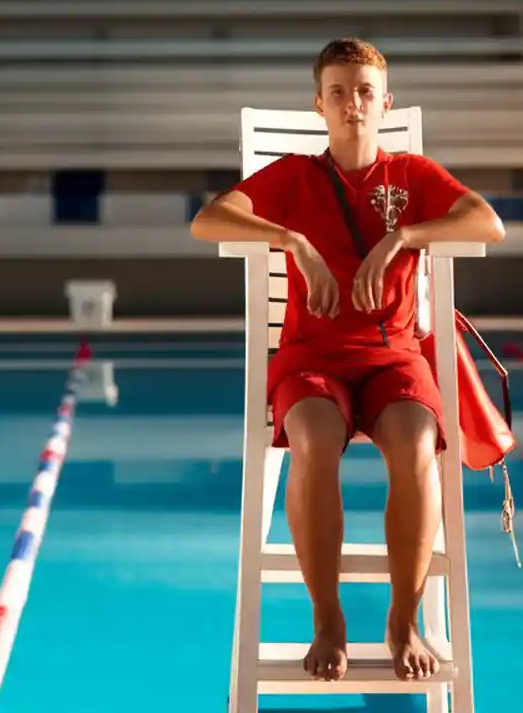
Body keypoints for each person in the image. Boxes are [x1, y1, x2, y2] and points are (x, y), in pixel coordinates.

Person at [190, 38, 505, 683]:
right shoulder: (294, 177)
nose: (352, 104)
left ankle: (404, 618)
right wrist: (291, 240)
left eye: (364, 91)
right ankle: (327, 615)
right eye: (338, 92)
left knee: (418, 444)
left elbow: (486, 223)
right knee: (311, 442)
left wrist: (406, 235)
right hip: (312, 361)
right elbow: (209, 219)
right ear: (319, 104)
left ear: (384, 102)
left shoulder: (412, 176)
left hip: (392, 359)